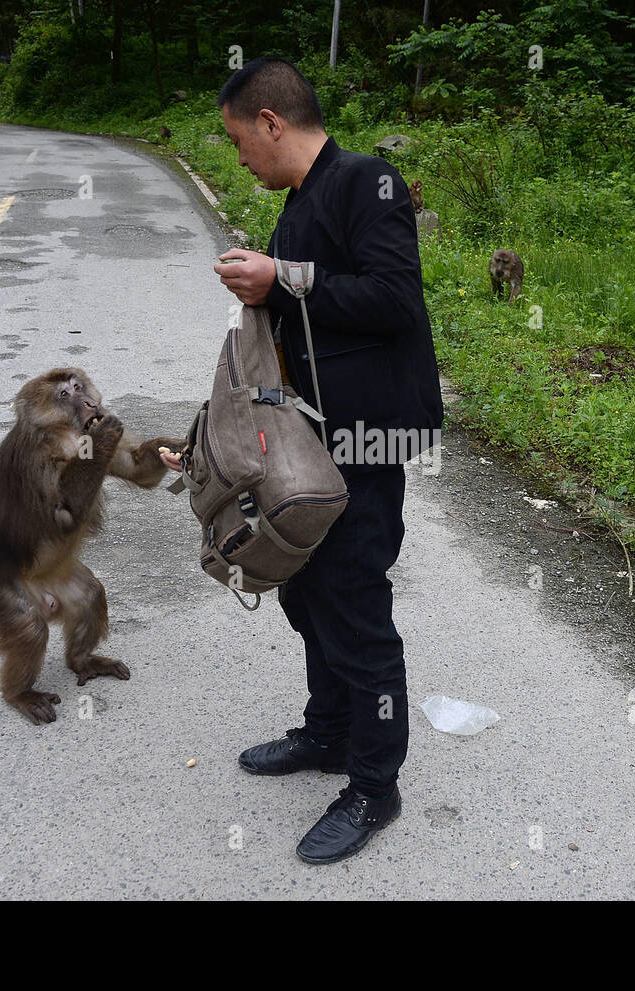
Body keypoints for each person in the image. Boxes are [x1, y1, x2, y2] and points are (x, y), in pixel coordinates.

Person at [162, 56, 443, 864]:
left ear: (271, 122)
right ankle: (327, 733)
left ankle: (375, 785)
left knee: (354, 600)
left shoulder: (367, 182)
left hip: (370, 435)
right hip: (308, 441)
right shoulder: (296, 205)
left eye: (237, 139)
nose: (237, 156)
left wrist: (281, 276)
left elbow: (394, 299)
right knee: (306, 593)